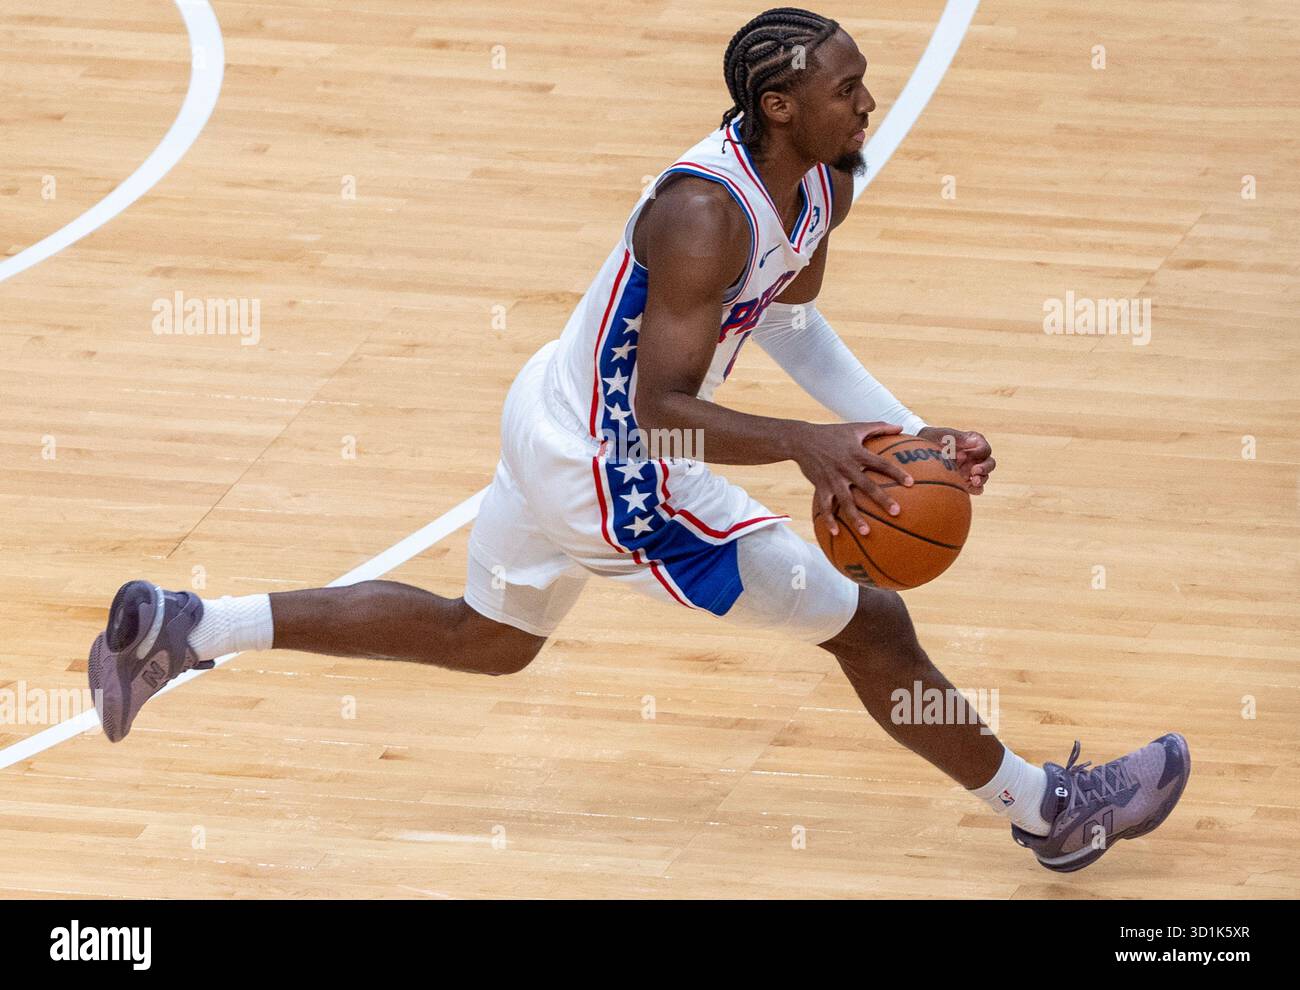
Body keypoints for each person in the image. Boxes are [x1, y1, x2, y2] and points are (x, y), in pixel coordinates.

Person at [88, 7, 1188, 873]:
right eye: (845, 88)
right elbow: (661, 407)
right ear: (778, 104)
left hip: (553, 409)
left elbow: (789, 321)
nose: (867, 102)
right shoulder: (701, 214)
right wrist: (809, 448)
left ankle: (191, 627)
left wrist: (907, 437)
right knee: (872, 623)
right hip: (614, 466)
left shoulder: (818, 188)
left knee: (492, 637)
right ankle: (1051, 813)